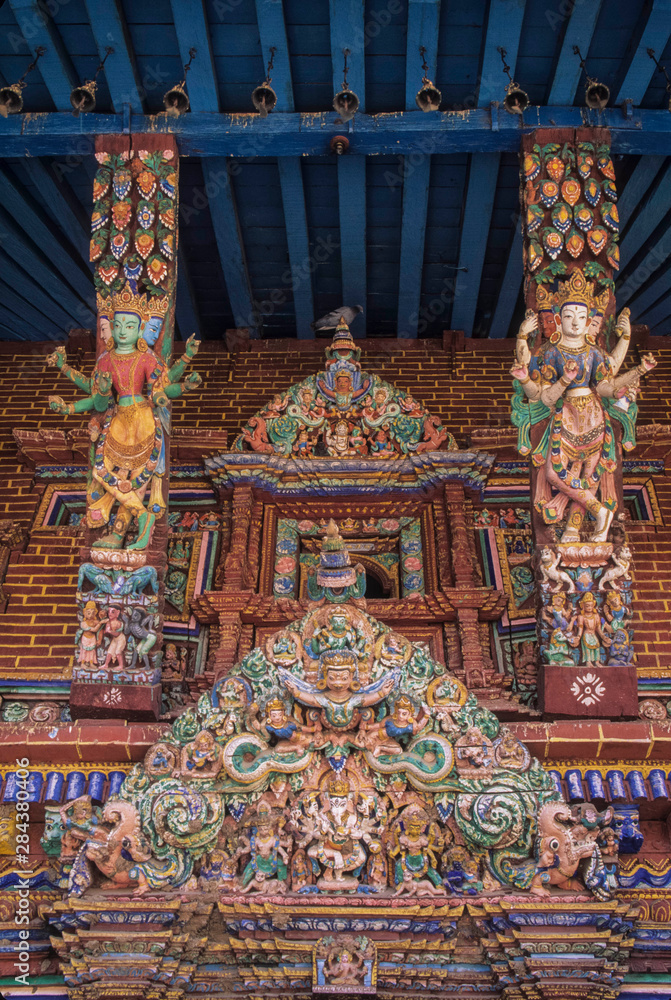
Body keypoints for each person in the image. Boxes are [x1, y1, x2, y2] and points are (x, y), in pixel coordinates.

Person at [511, 270, 656, 543]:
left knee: (589, 476)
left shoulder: (593, 353)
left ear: (589, 321)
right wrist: (523, 339)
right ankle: (600, 510)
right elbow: (545, 397)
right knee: (554, 473)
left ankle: (573, 530)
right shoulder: (551, 353)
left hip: (593, 414)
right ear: (558, 320)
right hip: (565, 414)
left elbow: (605, 386)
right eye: (568, 316)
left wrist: (638, 371)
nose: (575, 322)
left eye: (581, 316)